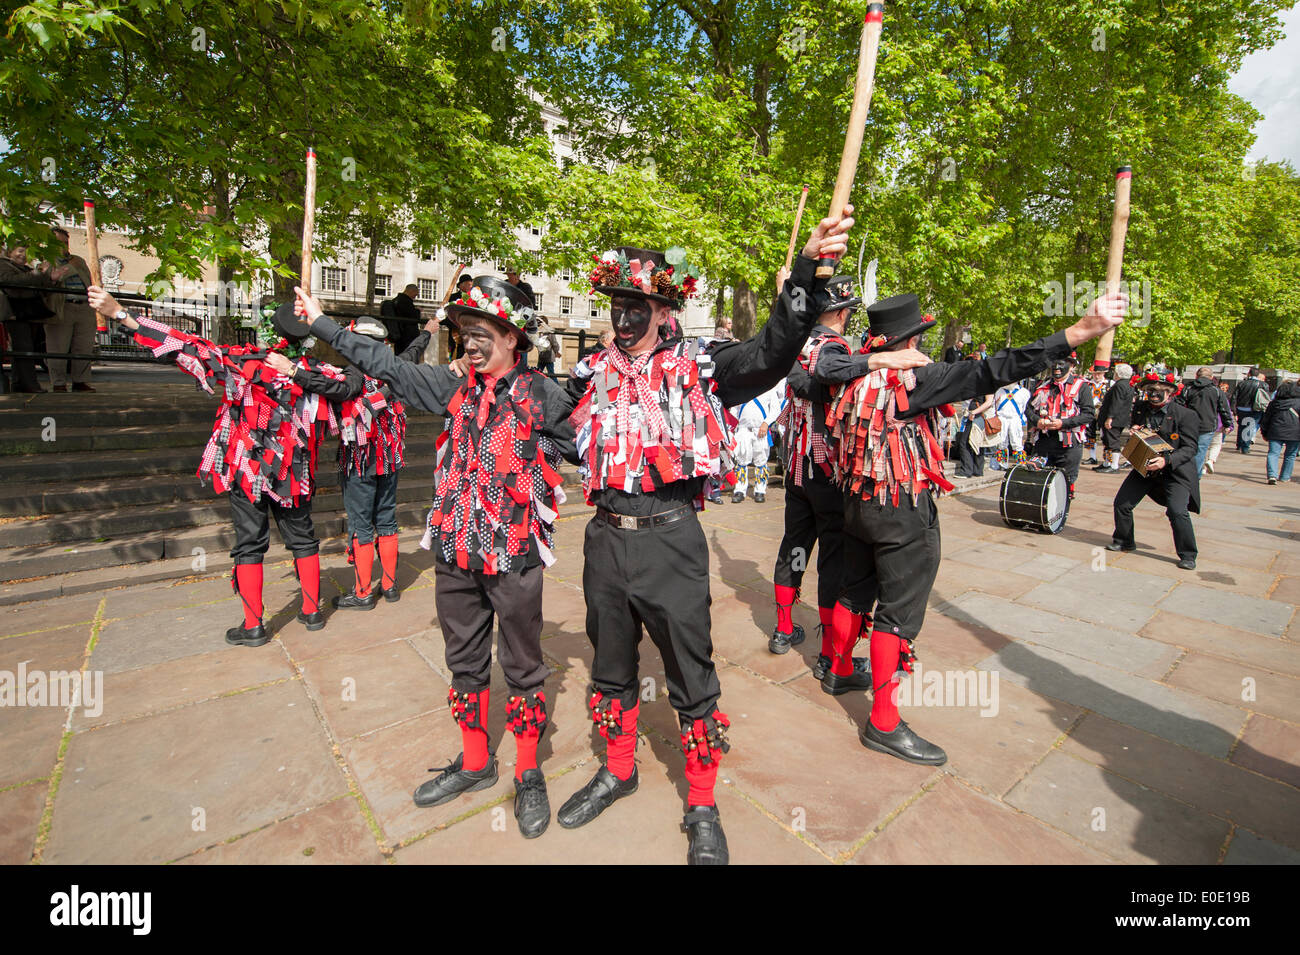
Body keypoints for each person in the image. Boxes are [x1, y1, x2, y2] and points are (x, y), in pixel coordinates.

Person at [556, 216, 854, 865]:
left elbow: (774, 351)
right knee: (610, 668)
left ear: (665, 309)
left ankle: (701, 802)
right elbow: (537, 416)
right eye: (617, 305)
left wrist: (805, 272)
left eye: (637, 306)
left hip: (672, 543)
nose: (625, 318)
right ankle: (618, 768)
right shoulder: (590, 374)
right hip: (604, 543)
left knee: (692, 675)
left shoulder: (703, 366)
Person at [295, 277, 577, 840]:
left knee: (522, 665)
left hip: (515, 555)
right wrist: (321, 323)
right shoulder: (451, 388)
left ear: (512, 338)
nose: (468, 345)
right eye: (463, 334)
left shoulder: (544, 394)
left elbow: (585, 444)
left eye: (481, 335)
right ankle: (475, 763)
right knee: (465, 659)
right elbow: (385, 364)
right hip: (454, 550)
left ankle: (527, 772)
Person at [823, 290, 1128, 766]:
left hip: (857, 502)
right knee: (897, 613)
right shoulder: (916, 379)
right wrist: (1079, 332)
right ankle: (882, 721)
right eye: (920, 339)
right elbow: (995, 369)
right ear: (905, 343)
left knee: (854, 590)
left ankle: (839, 667)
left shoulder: (852, 376)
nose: (925, 349)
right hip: (902, 509)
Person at [86, 286, 357, 645]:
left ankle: (254, 625)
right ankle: (311, 613)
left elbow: (183, 345)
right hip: (292, 471)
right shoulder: (316, 371)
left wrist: (121, 314)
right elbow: (351, 385)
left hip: (247, 469)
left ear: (267, 331)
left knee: (249, 544)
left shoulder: (240, 361)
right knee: (303, 538)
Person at [768, 274, 930, 680]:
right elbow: (824, 374)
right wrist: (875, 360)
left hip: (796, 467)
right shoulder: (834, 348)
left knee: (796, 547)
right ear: (841, 312)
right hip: (827, 473)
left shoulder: (796, 344)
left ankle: (784, 628)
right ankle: (828, 654)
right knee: (834, 560)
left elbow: (799, 379)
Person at [332, 316, 431, 610]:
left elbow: (336, 394)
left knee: (362, 525)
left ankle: (363, 592)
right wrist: (426, 332)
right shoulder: (393, 371)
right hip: (389, 459)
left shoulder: (352, 372)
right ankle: (389, 586)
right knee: (387, 519)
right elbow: (411, 354)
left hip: (361, 462)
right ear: (382, 344)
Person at [1107, 371, 1200, 568]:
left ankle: (1188, 554)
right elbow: (1142, 432)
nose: (1154, 394)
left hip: (1175, 471)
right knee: (1122, 504)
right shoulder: (1141, 408)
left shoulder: (1186, 415)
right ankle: (1124, 540)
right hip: (1146, 468)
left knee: (1177, 512)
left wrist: (1166, 461)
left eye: (1159, 391)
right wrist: (1135, 431)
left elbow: (1190, 449)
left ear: (1170, 393)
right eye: (1150, 390)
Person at [1026, 350, 1095, 512]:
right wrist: (1038, 421)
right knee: (1039, 478)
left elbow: (1089, 414)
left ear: (1071, 365)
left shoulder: (1081, 386)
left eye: (1062, 362)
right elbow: (1028, 410)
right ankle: (1040, 513)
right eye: (1054, 362)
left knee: (1066, 481)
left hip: (1069, 444)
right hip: (1044, 441)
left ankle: (1059, 514)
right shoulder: (1042, 385)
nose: (1057, 366)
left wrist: (1063, 423)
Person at [1, 246, 60, 393]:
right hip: (15, 313)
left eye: (25, 251)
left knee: (25, 349)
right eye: (20, 251)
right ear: (10, 252)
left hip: (27, 313)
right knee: (24, 348)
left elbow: (39, 288)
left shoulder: (25, 269)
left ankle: (19, 383)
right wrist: (38, 273)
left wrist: (51, 279)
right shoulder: (3, 264)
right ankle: (29, 384)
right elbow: (10, 281)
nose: (23, 255)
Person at [46, 226, 98, 392]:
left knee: (83, 346)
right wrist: (69, 268)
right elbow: (52, 278)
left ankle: (80, 381)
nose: (63, 246)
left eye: (65, 243)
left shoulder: (78, 260)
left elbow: (88, 280)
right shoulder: (46, 261)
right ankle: (58, 383)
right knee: (58, 346)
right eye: (58, 243)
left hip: (84, 306)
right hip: (62, 307)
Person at [729, 380, 784, 503]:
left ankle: (760, 490)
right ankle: (740, 490)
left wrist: (766, 423)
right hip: (743, 430)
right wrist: (734, 428)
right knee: (741, 460)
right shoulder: (740, 388)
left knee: (761, 460)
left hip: (760, 430)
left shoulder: (769, 388)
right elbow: (734, 410)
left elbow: (775, 410)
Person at [1179, 367, 1234, 475]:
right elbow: (1224, 409)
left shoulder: (1188, 388)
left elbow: (1179, 404)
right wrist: (1228, 424)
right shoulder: (1216, 391)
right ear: (1212, 377)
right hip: (1207, 426)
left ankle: (1184, 473)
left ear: (1196, 376)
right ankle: (1195, 476)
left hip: (1188, 424)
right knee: (1200, 451)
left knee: (1185, 449)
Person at [1094, 362, 1135, 473]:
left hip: (1114, 419)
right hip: (1119, 418)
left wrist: (1110, 417)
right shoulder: (1127, 385)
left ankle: (1114, 465)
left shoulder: (1120, 385)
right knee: (1107, 441)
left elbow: (1116, 403)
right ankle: (1107, 462)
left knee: (1112, 442)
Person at [1261, 380, 1300, 485]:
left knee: (1273, 453)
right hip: (1295, 432)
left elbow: (1266, 419)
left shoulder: (1274, 403)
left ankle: (1272, 475)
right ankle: (1285, 477)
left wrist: (1264, 432)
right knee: (1290, 455)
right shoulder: (1298, 402)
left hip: (1275, 431)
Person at [991, 378, 1031, 469]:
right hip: (1002, 418)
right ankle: (1001, 463)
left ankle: (1021, 463)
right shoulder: (999, 390)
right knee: (1001, 442)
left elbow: (1025, 407)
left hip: (1015, 419)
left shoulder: (1024, 392)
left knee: (1017, 442)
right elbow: (994, 405)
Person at [1203, 379, 1235, 475]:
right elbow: (1226, 411)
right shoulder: (1220, 394)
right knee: (1216, 445)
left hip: (1202, 424)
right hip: (1217, 424)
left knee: (1202, 446)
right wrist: (1229, 425)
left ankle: (1202, 467)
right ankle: (1211, 460)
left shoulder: (1199, 393)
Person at [1233, 368, 1269, 453]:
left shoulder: (1242, 383)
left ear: (1249, 374)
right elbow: (1266, 398)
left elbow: (1234, 397)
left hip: (1241, 408)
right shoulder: (1263, 385)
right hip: (1254, 409)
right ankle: (1245, 447)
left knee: (1241, 426)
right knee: (1249, 427)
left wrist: (1234, 409)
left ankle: (1239, 444)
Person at [380, 283, 422, 353]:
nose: (415, 297)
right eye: (415, 294)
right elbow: (413, 317)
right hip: (407, 337)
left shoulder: (395, 300)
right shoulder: (405, 302)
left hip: (399, 336)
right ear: (411, 291)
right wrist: (417, 311)